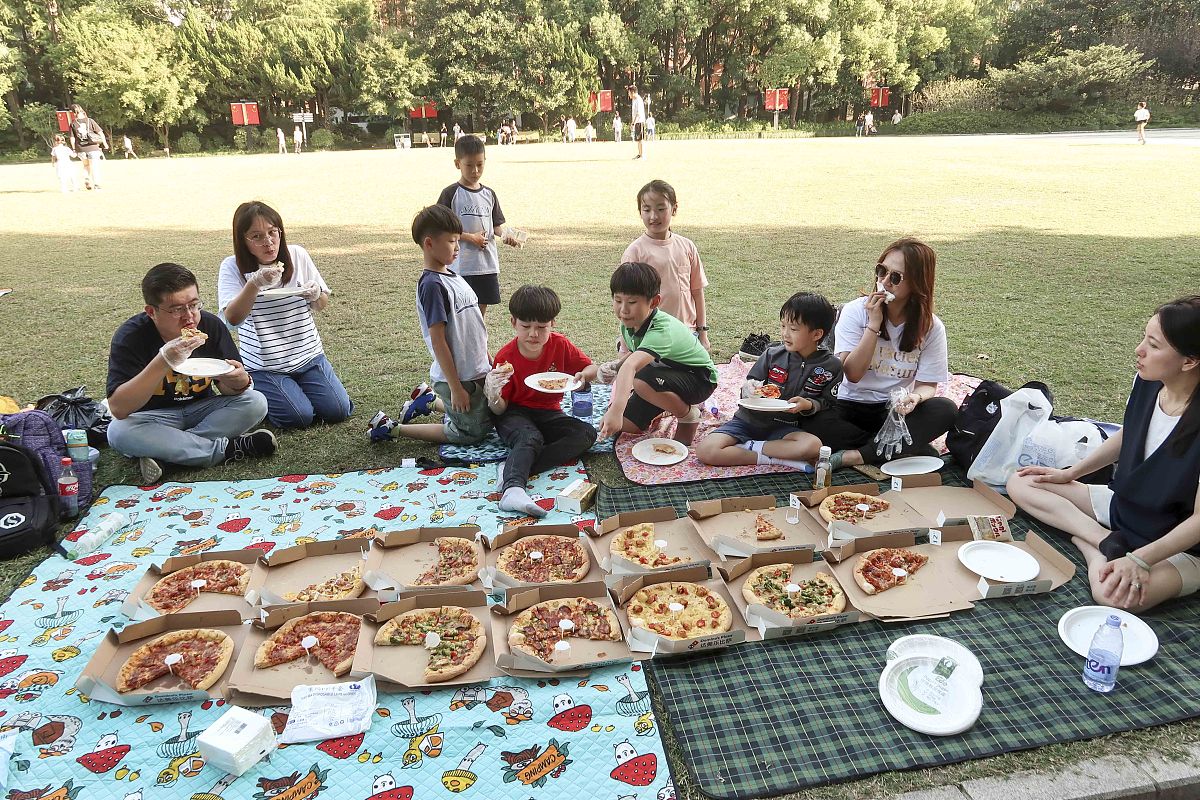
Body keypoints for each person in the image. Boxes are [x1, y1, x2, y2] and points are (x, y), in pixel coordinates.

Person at [1007, 297, 1200, 612]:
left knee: (1114, 596)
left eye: (1152, 345)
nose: (1139, 350)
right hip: (1126, 508)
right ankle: (1102, 540)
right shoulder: (1149, 382)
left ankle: (1089, 545)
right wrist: (1071, 474)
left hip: (1179, 543)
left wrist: (1140, 559)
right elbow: (1129, 435)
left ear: (1189, 361)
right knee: (1021, 482)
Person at [106, 263, 275, 484]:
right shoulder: (132, 336)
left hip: (201, 410)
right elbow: (119, 409)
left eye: (194, 305)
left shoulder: (210, 326)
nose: (189, 317)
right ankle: (227, 449)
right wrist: (163, 360)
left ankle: (168, 455)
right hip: (153, 419)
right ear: (151, 312)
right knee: (118, 432)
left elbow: (230, 388)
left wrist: (238, 380)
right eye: (177, 309)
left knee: (256, 401)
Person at [217, 201, 352, 430]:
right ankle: (271, 396)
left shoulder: (297, 255)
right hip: (265, 365)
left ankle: (297, 391)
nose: (268, 242)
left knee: (339, 410)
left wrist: (315, 293)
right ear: (243, 241)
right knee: (299, 417)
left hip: (308, 356)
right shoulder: (232, 267)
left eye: (272, 232)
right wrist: (254, 283)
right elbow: (232, 319)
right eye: (257, 236)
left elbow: (321, 304)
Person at [825, 238, 957, 468]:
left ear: (917, 283)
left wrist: (914, 398)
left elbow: (928, 385)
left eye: (895, 277)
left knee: (945, 409)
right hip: (847, 406)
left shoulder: (931, 327)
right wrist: (873, 325)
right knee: (811, 423)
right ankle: (897, 448)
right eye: (881, 271)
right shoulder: (855, 311)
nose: (884, 281)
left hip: (892, 411)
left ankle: (857, 455)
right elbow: (852, 374)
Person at [368, 205, 493, 445]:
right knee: (470, 433)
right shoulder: (432, 286)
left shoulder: (453, 277)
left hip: (475, 369)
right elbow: (438, 340)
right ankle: (391, 428)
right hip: (457, 377)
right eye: (451, 241)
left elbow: (474, 325)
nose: (458, 247)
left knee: (487, 417)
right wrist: (456, 388)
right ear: (429, 243)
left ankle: (427, 401)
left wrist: (486, 357)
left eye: (458, 240)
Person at [485, 285, 597, 517]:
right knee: (529, 437)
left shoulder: (560, 345)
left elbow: (590, 367)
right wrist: (493, 394)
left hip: (549, 411)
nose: (533, 334)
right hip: (514, 413)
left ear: (552, 324)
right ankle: (513, 489)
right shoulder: (506, 357)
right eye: (526, 326)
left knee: (586, 434)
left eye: (541, 327)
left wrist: (583, 376)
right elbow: (500, 409)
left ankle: (513, 466)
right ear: (513, 322)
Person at [697, 293, 843, 468]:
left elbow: (829, 402)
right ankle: (772, 457)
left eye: (794, 329)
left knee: (813, 446)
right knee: (706, 450)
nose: (785, 334)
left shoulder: (831, 365)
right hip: (748, 421)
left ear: (817, 334)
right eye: (783, 326)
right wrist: (749, 388)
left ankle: (750, 448)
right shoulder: (772, 354)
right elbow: (751, 384)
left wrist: (809, 405)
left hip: (786, 427)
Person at [580, 262, 717, 446]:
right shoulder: (629, 323)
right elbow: (634, 356)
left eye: (632, 302)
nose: (623, 310)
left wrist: (617, 410)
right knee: (624, 425)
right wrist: (606, 370)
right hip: (663, 376)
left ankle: (688, 415)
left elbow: (632, 366)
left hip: (699, 380)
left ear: (653, 302)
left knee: (640, 380)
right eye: (618, 300)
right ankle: (664, 403)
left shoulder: (661, 330)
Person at [434, 134, 519, 316]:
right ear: (458, 164)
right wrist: (469, 237)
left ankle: (478, 344)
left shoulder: (489, 194)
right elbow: (439, 226)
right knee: (461, 314)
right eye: (469, 165)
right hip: (460, 266)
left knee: (480, 314)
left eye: (480, 164)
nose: (475, 171)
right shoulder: (451, 193)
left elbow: (495, 226)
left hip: (485, 265)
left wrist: (506, 236)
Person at [621, 179, 710, 349]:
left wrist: (702, 333)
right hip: (651, 336)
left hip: (687, 333)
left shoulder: (687, 247)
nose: (653, 216)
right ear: (640, 212)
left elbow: (697, 292)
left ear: (674, 209)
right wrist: (625, 347)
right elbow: (626, 304)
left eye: (661, 209)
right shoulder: (635, 253)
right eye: (646, 210)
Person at [69, 103, 107, 190]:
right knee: (94, 166)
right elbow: (100, 133)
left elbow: (72, 138)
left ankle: (86, 178)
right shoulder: (90, 121)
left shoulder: (73, 124)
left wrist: (74, 149)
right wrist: (104, 143)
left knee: (86, 165)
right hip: (93, 147)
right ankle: (96, 184)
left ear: (74, 113)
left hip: (81, 148)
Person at [628, 85, 646, 158]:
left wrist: (633, 123)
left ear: (633, 92)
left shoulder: (638, 99)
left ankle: (642, 155)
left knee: (640, 139)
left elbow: (638, 113)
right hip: (636, 122)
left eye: (629, 93)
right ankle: (639, 154)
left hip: (640, 121)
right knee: (638, 139)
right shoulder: (634, 100)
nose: (628, 95)